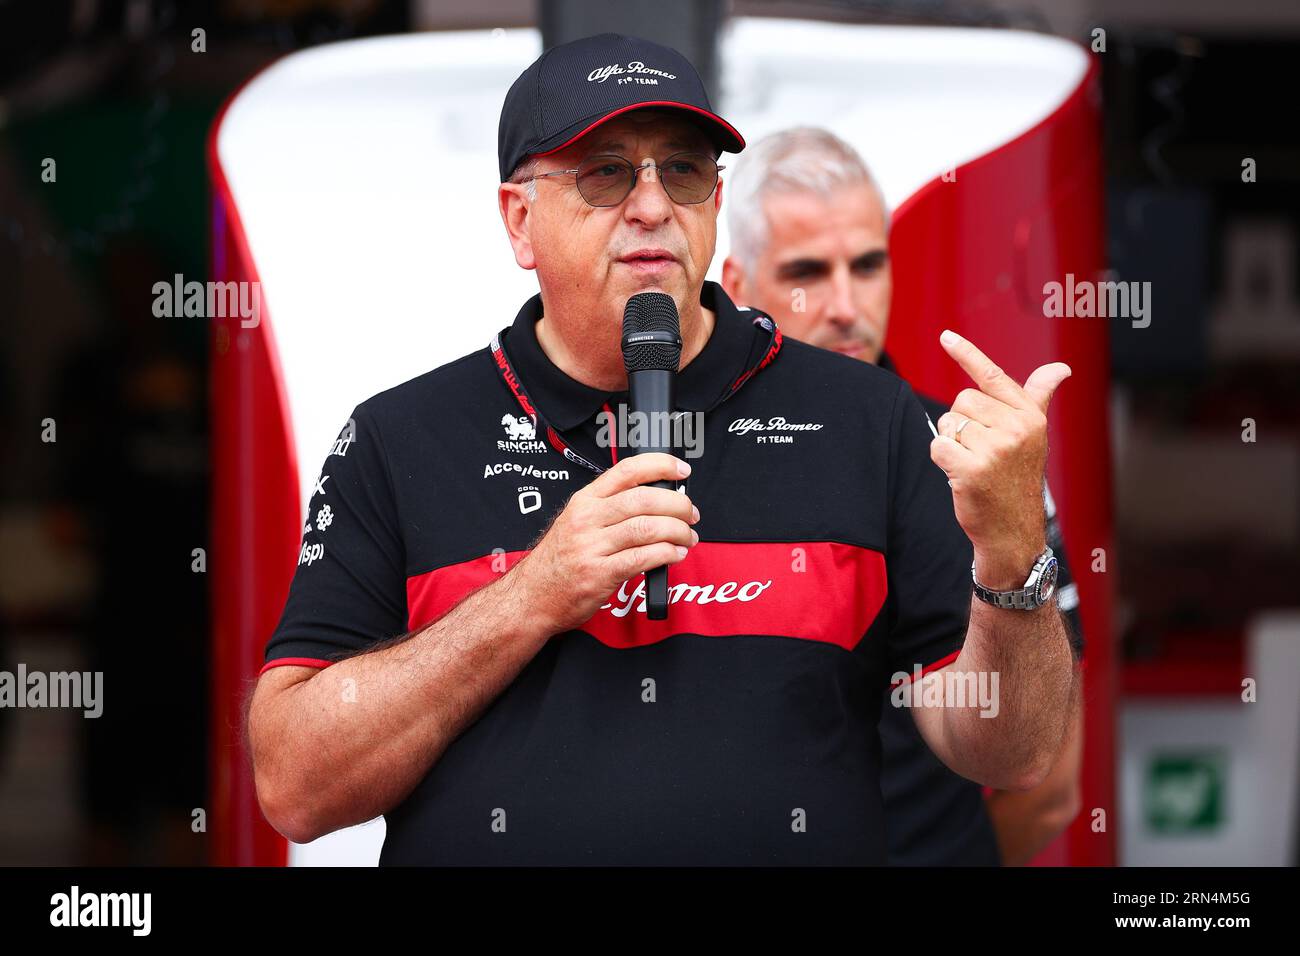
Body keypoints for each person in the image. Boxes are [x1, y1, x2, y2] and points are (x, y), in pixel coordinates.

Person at [245, 33, 1076, 865]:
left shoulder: (870, 420)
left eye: (682, 169)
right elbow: (295, 788)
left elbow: (1009, 753)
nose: (651, 205)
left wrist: (1010, 558)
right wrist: (531, 595)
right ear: (519, 219)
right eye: (605, 171)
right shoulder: (399, 439)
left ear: (714, 203)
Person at [721, 127, 1085, 866]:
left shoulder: (982, 461)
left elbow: (1048, 784)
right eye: (808, 272)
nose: (846, 304)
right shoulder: (668, 459)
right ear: (736, 287)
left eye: (866, 264)